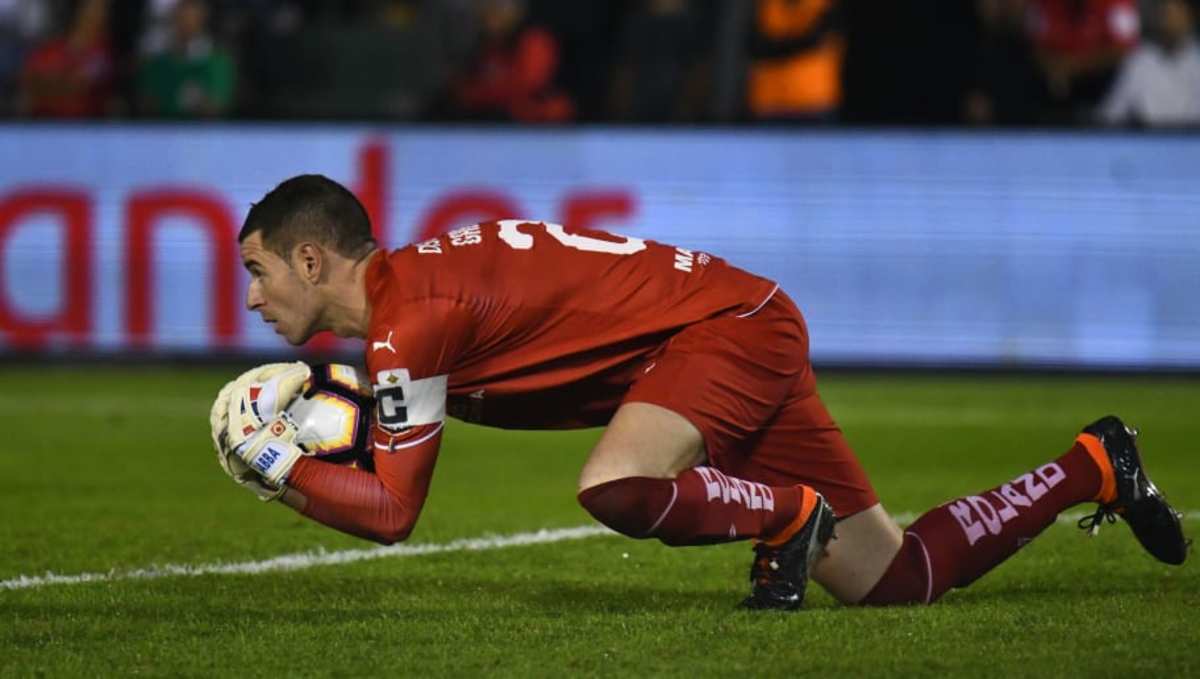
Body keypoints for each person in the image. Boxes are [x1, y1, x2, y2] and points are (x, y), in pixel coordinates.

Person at [212, 174, 1188, 609]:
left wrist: (275, 466)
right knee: (896, 581)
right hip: (723, 332)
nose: (253, 296)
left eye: (259, 270)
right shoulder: (413, 306)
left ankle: (785, 518)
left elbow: (393, 513)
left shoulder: (410, 319)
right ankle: (1094, 463)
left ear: (312, 257)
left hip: (721, 335)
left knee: (614, 483)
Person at [1098, 0, 1200, 126]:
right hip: (1148, 136)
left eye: (1176, 14)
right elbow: (1111, 114)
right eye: (1165, 14)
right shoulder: (1139, 61)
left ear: (1190, 18)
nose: (1169, 22)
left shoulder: (1197, 61)